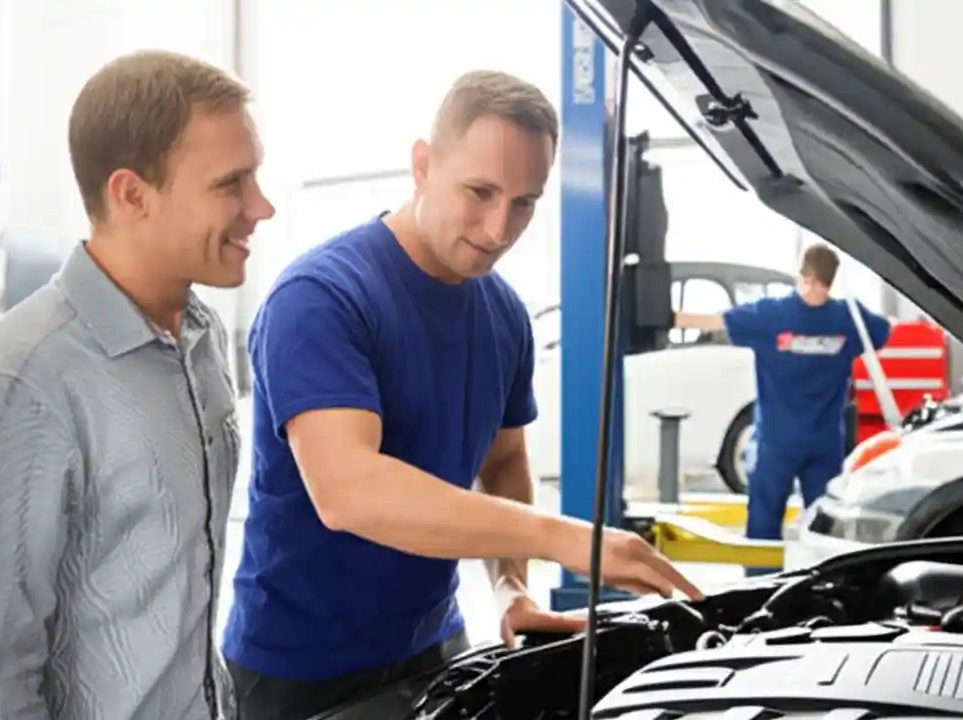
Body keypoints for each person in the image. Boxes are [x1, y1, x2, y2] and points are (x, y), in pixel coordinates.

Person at [222, 69, 702, 719]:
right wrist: (568, 540)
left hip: (435, 646)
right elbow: (350, 490)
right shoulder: (321, 298)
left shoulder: (503, 315)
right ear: (423, 164)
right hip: (303, 672)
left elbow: (501, 463)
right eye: (480, 192)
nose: (500, 227)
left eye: (524, 202)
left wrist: (510, 586)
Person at [0, 50, 274, 720]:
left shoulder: (199, 339)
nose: (261, 206)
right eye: (231, 183)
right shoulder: (26, 383)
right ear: (132, 195)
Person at [675, 244, 892, 568]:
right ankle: (759, 588)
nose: (814, 290)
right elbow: (717, 320)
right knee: (763, 526)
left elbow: (882, 330)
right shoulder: (772, 316)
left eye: (822, 285)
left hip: (822, 442)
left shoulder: (845, 318)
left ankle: (821, 590)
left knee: (824, 527)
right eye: (810, 282)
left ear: (830, 283)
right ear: (800, 277)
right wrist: (665, 317)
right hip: (779, 441)